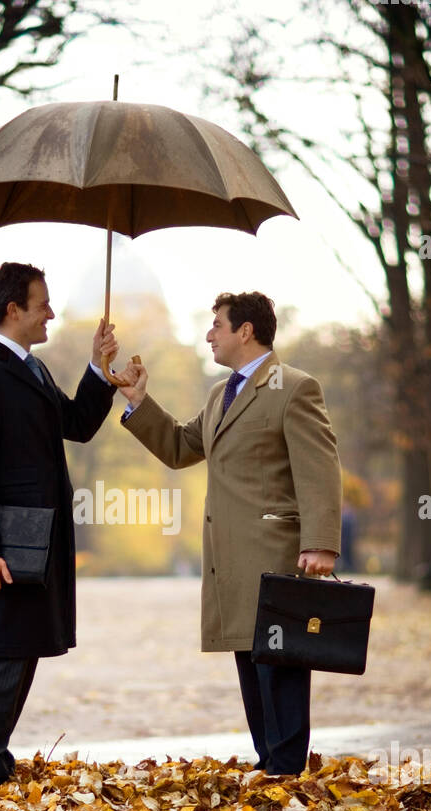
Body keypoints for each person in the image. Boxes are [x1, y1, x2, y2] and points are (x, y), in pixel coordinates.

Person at [116, 292, 341, 774]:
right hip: (229, 558)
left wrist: (321, 542)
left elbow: (319, 469)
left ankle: (286, 769)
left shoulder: (295, 387)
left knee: (280, 661)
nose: (208, 335)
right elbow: (180, 447)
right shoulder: (221, 393)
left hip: (278, 554)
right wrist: (138, 401)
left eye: (216, 325)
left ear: (246, 331)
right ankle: (270, 763)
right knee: (249, 658)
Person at [0, 262, 130, 786]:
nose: (51, 311)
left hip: (38, 541)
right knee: (1, 650)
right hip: (5, 546)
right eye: (42, 302)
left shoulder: (33, 369)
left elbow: (75, 425)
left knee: (23, 646)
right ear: (14, 310)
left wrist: (99, 369)